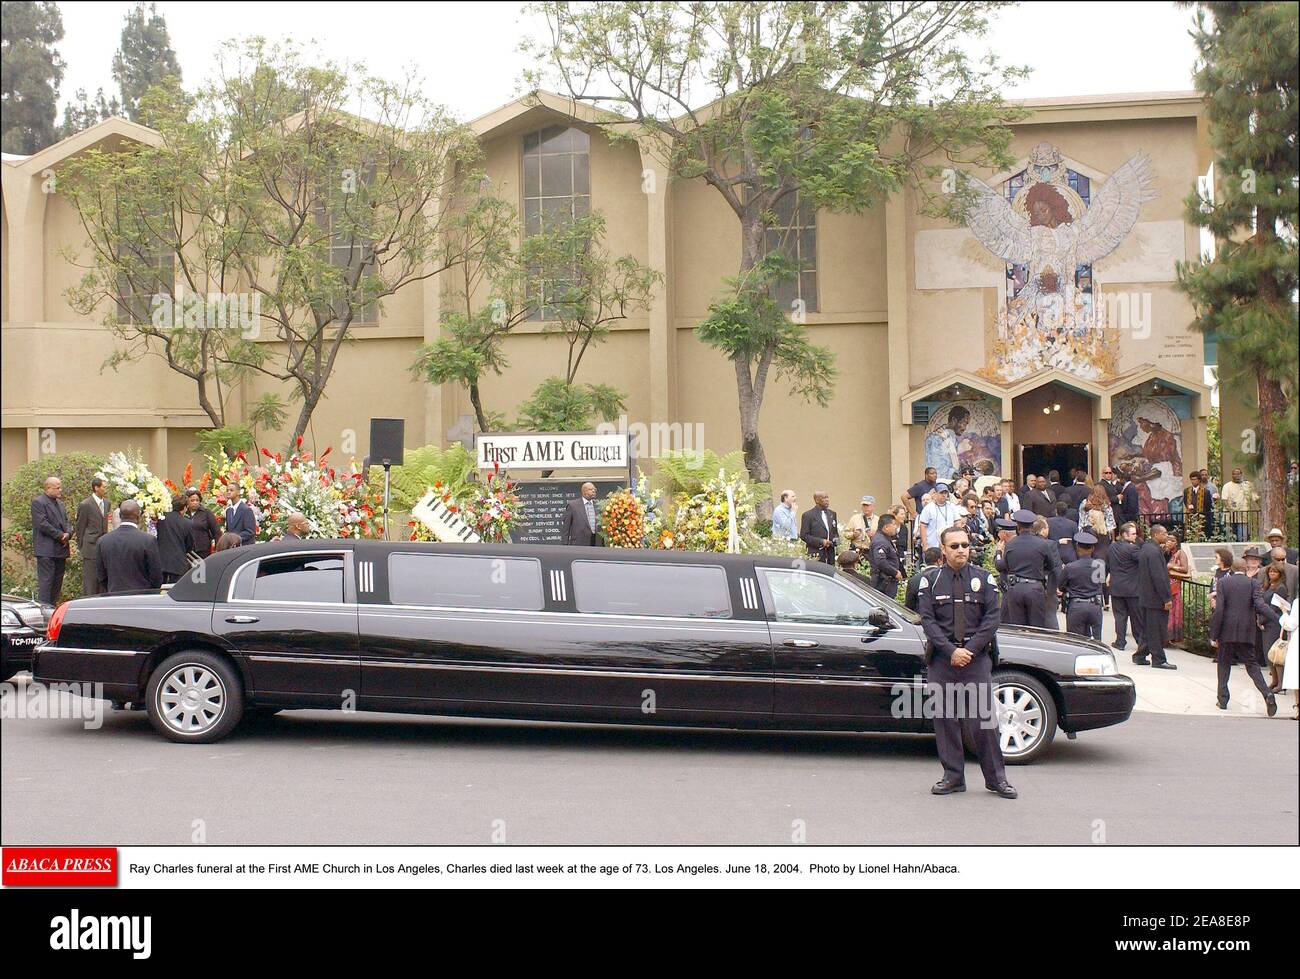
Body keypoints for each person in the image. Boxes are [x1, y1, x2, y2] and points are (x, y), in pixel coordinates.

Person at [918, 526, 1015, 799]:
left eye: (964, 545)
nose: (961, 550)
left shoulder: (984, 580)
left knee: (983, 722)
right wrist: (951, 651)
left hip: (975, 660)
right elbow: (927, 621)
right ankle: (953, 777)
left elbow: (992, 619)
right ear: (944, 550)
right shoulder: (931, 581)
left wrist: (968, 651)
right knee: (946, 721)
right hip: (942, 660)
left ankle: (997, 779)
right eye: (955, 546)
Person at [1210, 559, 1279, 715]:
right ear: (1246, 568)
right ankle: (1267, 693)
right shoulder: (1253, 583)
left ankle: (1222, 699)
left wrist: (1214, 633)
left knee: (1223, 663)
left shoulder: (1223, 583)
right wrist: (1277, 618)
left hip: (1227, 629)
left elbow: (1219, 610)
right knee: (1252, 665)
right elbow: (1260, 605)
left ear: (1232, 569)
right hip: (1246, 630)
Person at [995, 509, 1062, 627]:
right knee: (1036, 627)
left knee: (1018, 628)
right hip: (1035, 587)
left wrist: (998, 552)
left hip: (1016, 588)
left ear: (1018, 526)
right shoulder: (1043, 544)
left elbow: (1002, 566)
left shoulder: (1011, 544)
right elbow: (1051, 565)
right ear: (1032, 526)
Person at [1133, 524, 1177, 670]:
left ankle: (1140, 655)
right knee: (1156, 629)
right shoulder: (1153, 551)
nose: (1166, 536)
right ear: (1156, 534)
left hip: (1147, 596)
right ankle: (1158, 659)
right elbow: (1159, 577)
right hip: (1155, 598)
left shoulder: (1148, 548)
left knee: (1148, 628)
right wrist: (1166, 598)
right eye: (1164, 533)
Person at [95, 500, 163, 594]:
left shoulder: (103, 541)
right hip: (142, 598)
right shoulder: (148, 541)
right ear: (138, 517)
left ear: (120, 516)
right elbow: (156, 576)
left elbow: (101, 575)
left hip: (114, 597)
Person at [30, 476, 71, 606]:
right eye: (57, 488)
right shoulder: (38, 502)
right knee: (46, 584)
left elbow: (67, 522)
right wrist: (60, 535)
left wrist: (68, 533)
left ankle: (52, 611)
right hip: (47, 550)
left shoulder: (60, 504)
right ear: (48, 488)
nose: (60, 490)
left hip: (61, 549)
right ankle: (44, 612)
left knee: (57, 584)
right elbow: (42, 524)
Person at [1060, 531, 1105, 640]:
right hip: (1095, 605)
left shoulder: (1070, 567)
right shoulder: (1100, 565)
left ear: (1077, 548)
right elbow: (1101, 583)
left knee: (1076, 640)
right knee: (1096, 642)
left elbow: (1061, 586)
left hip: (1077, 606)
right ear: (1092, 549)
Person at [1107, 522, 1144, 651]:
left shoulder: (1112, 547)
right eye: (1133, 534)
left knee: (1120, 616)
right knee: (1136, 617)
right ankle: (1140, 641)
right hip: (1133, 589)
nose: (1136, 536)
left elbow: (1109, 564)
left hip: (1117, 587)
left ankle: (1120, 641)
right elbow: (1143, 562)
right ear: (1124, 534)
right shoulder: (1133, 549)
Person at [74, 477, 111, 597]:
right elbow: (80, 527)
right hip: (90, 547)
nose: (106, 489)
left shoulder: (107, 503)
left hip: (103, 546)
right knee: (90, 580)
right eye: (104, 487)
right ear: (96, 488)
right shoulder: (85, 504)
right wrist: (82, 546)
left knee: (102, 578)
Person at [1261, 562, 1289, 692]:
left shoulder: (1281, 588)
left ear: (1280, 574)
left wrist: (1263, 619)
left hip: (1275, 623)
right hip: (1265, 623)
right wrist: (1259, 620)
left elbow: (1274, 607)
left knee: (1276, 654)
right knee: (1269, 654)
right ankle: (1274, 681)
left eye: (1275, 572)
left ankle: (1281, 683)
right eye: (1270, 571)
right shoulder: (1267, 586)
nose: (1272, 574)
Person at [156, 494, 196, 585]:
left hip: (161, 562)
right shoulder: (187, 523)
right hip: (178, 563)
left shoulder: (162, 518)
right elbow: (189, 546)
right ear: (185, 507)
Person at [917, 482, 961, 551]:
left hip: (949, 545)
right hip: (932, 545)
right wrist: (925, 544)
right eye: (941, 493)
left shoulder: (952, 507)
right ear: (936, 494)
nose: (944, 495)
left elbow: (958, 523)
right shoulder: (928, 508)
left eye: (945, 493)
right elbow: (922, 526)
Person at [867, 514, 903, 596]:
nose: (896, 527)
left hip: (887, 581)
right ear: (886, 527)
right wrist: (894, 572)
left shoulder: (885, 538)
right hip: (883, 582)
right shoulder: (880, 541)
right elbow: (880, 561)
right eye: (893, 524)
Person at [799, 491, 839, 565]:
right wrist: (821, 541)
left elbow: (835, 532)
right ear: (817, 500)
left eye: (827, 497)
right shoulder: (808, 515)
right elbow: (804, 535)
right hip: (816, 553)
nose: (827, 500)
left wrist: (835, 541)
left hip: (830, 553)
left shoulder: (832, 514)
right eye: (824, 498)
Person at [1165, 529, 1191, 637]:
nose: (1169, 542)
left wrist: (1172, 566)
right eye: (1168, 540)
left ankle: (1172, 635)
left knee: (1174, 611)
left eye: (1172, 540)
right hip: (1166, 585)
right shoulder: (1165, 552)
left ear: (1177, 542)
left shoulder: (1180, 553)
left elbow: (1185, 569)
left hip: (1174, 585)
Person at [1219, 468, 1256, 542]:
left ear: (1241, 475)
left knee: (1242, 538)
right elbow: (1224, 500)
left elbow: (1255, 498)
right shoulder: (1227, 486)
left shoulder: (1247, 485)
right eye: (1234, 474)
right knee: (1230, 539)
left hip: (1243, 516)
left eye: (1238, 474)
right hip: (1229, 517)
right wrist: (1230, 509)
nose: (1236, 476)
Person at [562, 482, 602, 547]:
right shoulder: (573, 505)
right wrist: (564, 545)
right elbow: (566, 527)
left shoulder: (599, 505)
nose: (593, 491)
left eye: (594, 489)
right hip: (579, 543)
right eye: (590, 489)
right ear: (584, 491)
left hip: (597, 543)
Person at [904, 547, 944, 612]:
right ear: (939, 561)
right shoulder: (945, 577)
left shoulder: (913, 580)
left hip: (921, 618)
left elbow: (909, 607)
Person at [185, 487, 221, 557]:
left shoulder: (206, 513)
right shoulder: (184, 513)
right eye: (192, 500)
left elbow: (216, 532)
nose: (195, 502)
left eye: (197, 500)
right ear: (187, 502)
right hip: (187, 551)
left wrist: (217, 549)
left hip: (203, 551)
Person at [1182, 471, 1215, 537]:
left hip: (1202, 517)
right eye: (1192, 479)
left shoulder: (1205, 491)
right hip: (1190, 517)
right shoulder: (1187, 491)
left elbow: (1208, 505)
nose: (1193, 481)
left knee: (1202, 535)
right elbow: (1185, 502)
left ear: (1199, 480)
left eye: (1195, 479)